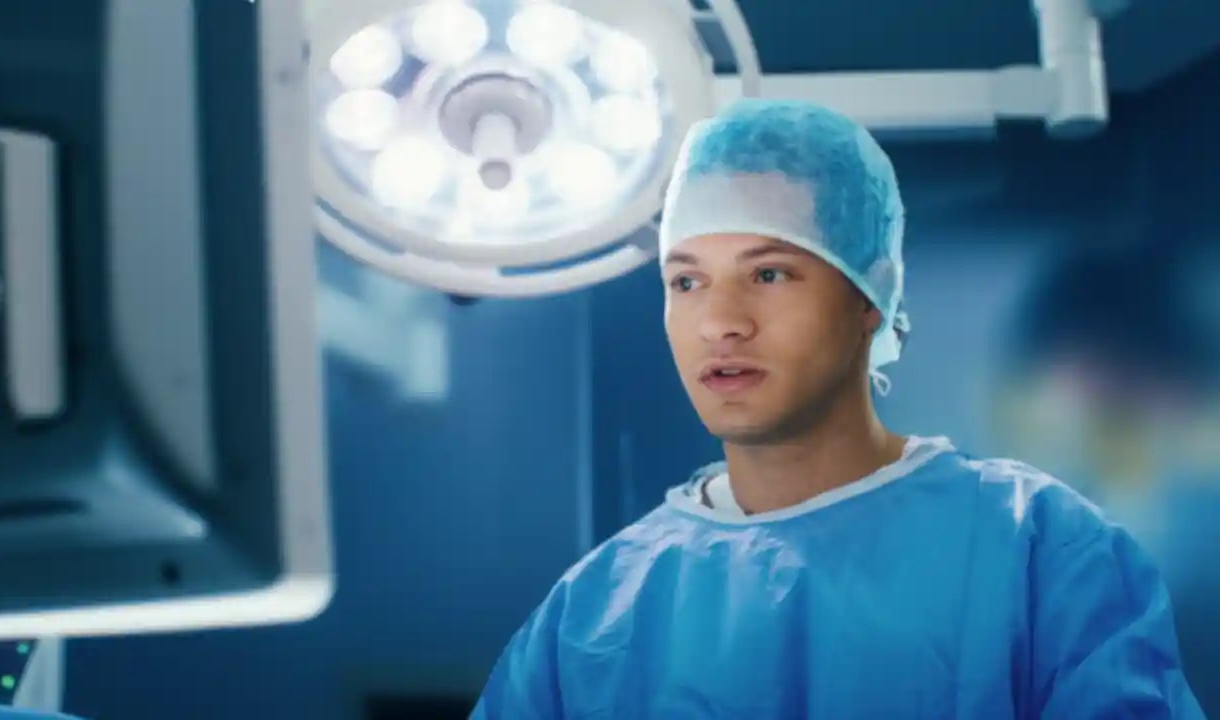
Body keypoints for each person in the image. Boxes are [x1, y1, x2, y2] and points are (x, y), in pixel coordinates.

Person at [472, 99, 1205, 718]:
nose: (720, 321)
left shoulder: (1042, 554)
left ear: (869, 296)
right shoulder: (592, 616)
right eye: (687, 282)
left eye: (768, 272)